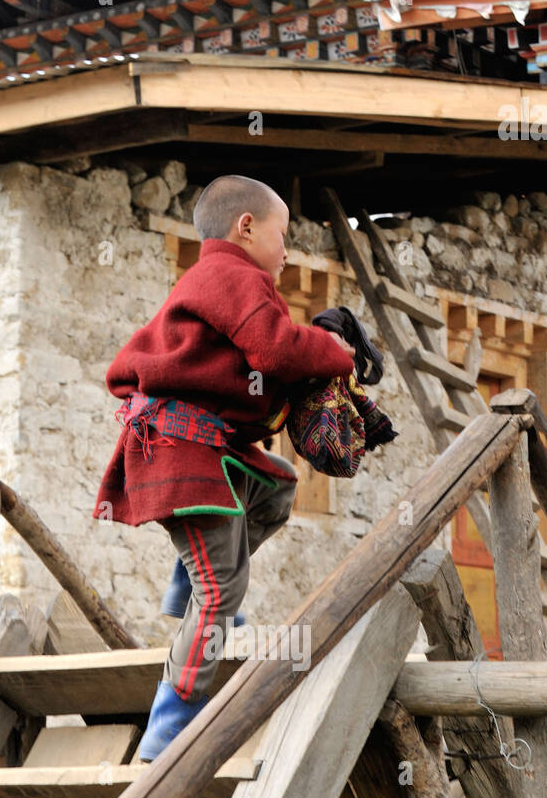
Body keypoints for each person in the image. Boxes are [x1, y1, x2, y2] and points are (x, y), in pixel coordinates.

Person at [92, 174, 355, 761]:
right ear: (246, 227)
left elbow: (258, 378)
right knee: (224, 587)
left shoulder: (216, 279)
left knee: (277, 489)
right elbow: (277, 351)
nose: (288, 251)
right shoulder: (236, 276)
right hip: (180, 451)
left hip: (200, 449)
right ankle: (169, 729)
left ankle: (190, 592)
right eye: (282, 235)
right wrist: (336, 353)